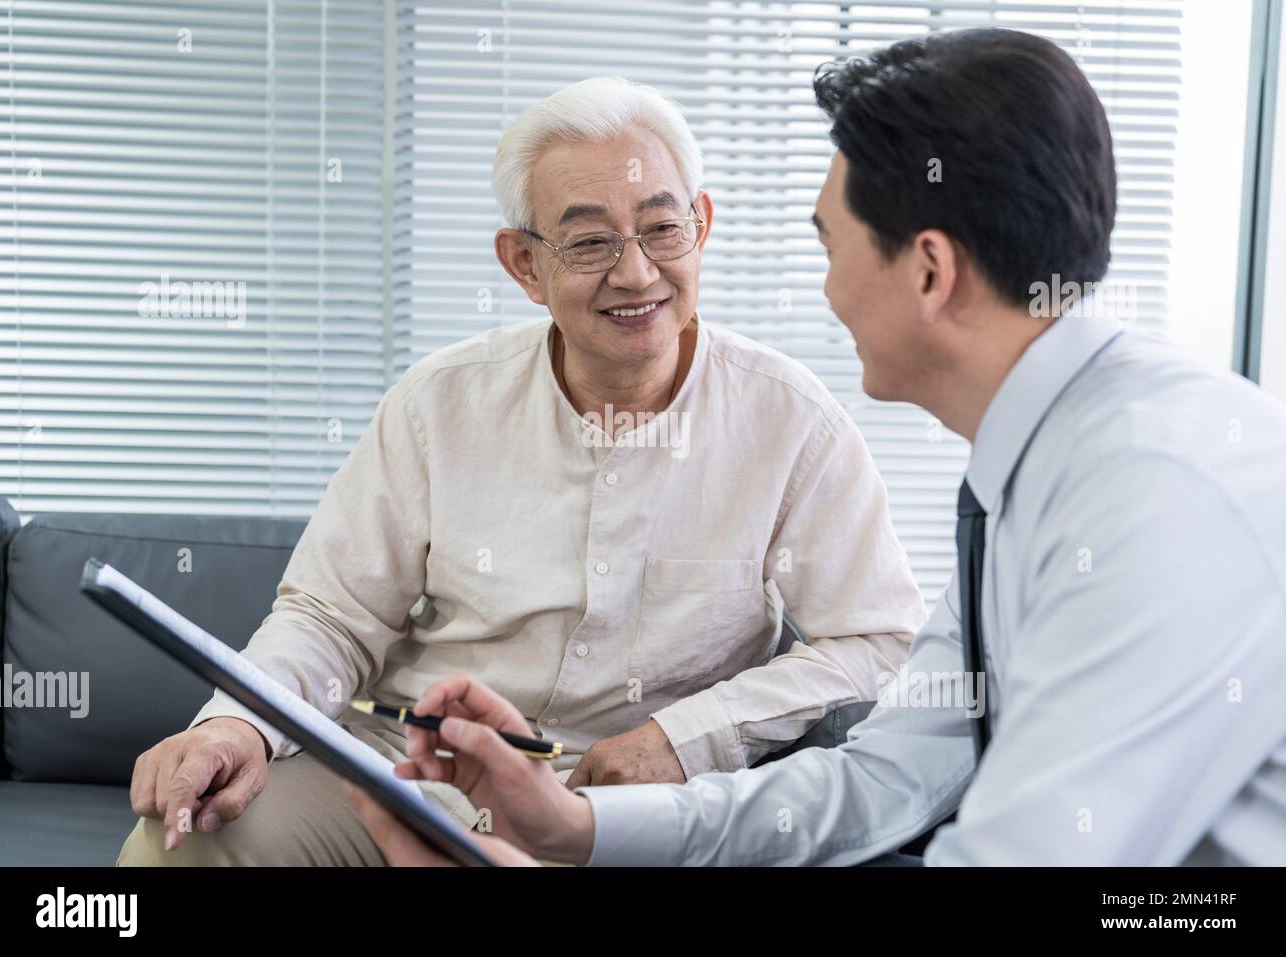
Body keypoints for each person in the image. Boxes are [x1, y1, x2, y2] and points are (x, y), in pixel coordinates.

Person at [347, 28, 1286, 867]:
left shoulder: (1155, 494)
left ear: (928, 270)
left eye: (830, 243)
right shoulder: (1033, 470)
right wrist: (577, 830)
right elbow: (883, 777)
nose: (826, 290)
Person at [117, 77, 925, 865]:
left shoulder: (791, 422)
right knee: (179, 846)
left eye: (661, 229)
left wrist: (683, 739)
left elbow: (880, 640)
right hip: (406, 771)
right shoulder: (439, 402)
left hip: (627, 813)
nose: (637, 273)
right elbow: (331, 617)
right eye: (589, 241)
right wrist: (238, 725)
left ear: (702, 225)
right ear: (524, 265)